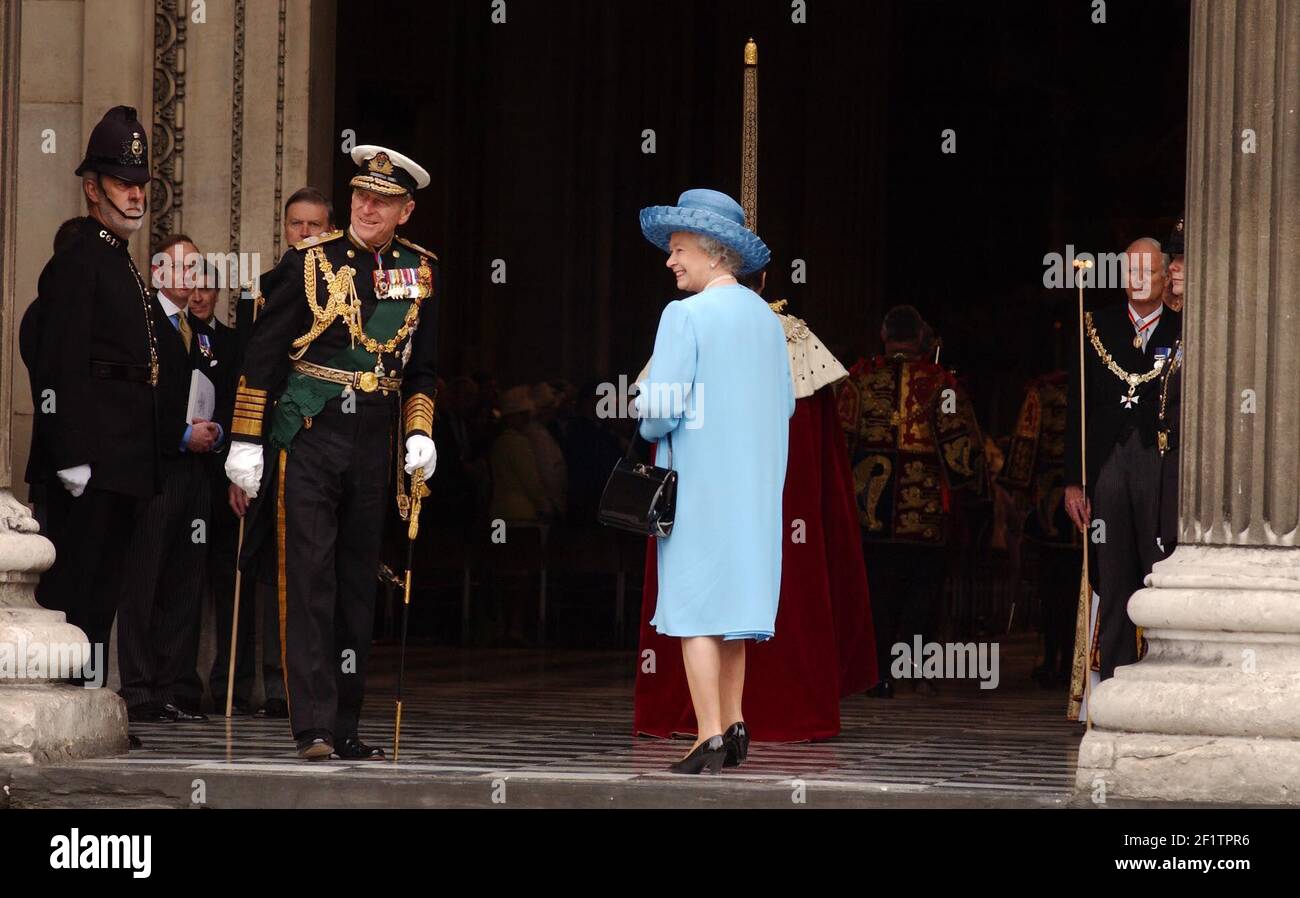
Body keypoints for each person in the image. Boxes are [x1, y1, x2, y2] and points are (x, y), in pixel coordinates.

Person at [224, 145, 439, 760]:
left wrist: (421, 430)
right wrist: (245, 438)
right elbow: (263, 353)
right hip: (311, 432)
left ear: (406, 210)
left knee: (356, 582)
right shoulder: (310, 262)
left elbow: (424, 368)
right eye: (361, 196)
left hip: (375, 436)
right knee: (309, 576)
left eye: (384, 200)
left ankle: (346, 722)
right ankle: (312, 723)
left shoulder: (420, 272)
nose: (369, 208)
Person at [635, 188, 795, 774]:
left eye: (678, 249)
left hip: (699, 484)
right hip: (754, 491)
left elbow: (661, 411)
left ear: (715, 254)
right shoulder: (767, 322)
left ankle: (706, 733)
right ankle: (735, 722)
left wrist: (642, 402)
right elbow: (785, 407)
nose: (670, 260)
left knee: (696, 610)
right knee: (732, 614)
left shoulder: (685, 315)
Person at [27, 106, 161, 668]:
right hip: (92, 458)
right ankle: (67, 694)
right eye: (123, 184)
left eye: (140, 185)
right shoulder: (80, 258)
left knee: (106, 587)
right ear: (92, 188)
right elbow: (60, 359)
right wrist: (73, 451)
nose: (135, 195)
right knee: (77, 587)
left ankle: (90, 697)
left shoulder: (118, 259)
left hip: (123, 455)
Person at [839, 305, 987, 697]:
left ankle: (877, 673)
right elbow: (960, 446)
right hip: (922, 510)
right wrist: (971, 491)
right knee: (923, 591)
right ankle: (919, 671)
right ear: (922, 340)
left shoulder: (858, 378)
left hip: (868, 506)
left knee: (876, 592)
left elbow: (841, 438)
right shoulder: (942, 382)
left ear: (884, 338)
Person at [226, 188, 333, 718]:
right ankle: (252, 681)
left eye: (316, 226)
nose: (306, 235)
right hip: (268, 441)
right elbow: (250, 370)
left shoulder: (344, 289)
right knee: (262, 562)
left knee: (311, 565)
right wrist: (242, 452)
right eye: (297, 225)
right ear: (284, 227)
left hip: (319, 442)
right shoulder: (259, 291)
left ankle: (294, 684)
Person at [1064, 238, 1181, 681]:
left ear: (1165, 276)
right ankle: (1113, 680)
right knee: (1113, 579)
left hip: (1159, 466)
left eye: (1146, 272)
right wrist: (1075, 479)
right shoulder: (1094, 324)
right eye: (1129, 271)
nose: (1136, 281)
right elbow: (1077, 408)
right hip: (1108, 465)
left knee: (1158, 573)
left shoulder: (1183, 328)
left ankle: (1158, 680)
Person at [116, 235, 222, 721]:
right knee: (145, 580)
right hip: (157, 470)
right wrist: (181, 435)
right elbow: (136, 402)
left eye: (196, 268)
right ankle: (138, 690)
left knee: (185, 582)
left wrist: (213, 431)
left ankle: (171, 687)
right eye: (180, 268)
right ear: (158, 273)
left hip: (196, 474)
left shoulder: (198, 331)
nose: (190, 278)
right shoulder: (146, 324)